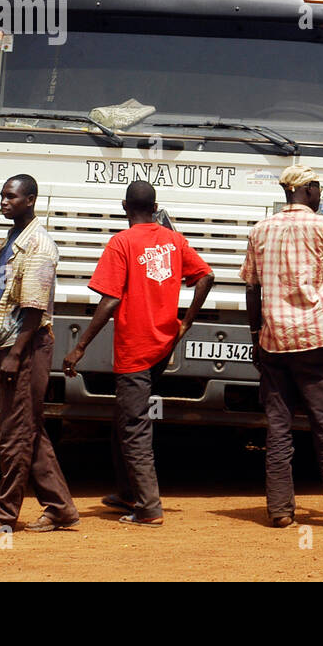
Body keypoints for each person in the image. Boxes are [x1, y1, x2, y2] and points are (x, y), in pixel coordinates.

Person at [63, 181, 215, 526]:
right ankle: (127, 493)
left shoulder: (122, 242)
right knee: (125, 417)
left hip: (135, 349)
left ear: (123, 206)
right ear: (155, 205)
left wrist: (81, 346)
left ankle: (148, 508)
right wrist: (185, 324)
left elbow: (111, 299)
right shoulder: (174, 240)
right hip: (163, 344)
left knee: (134, 426)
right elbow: (206, 276)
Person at [241, 165, 323, 529]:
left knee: (279, 429)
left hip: (274, 341)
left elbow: (251, 289)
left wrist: (256, 337)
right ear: (310, 190)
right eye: (317, 187)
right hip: (318, 341)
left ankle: (281, 511)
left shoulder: (260, 231)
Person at [0, 175, 79, 535]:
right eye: (1, 196)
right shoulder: (12, 241)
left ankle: (3, 513)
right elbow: (6, 304)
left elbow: (33, 310)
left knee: (15, 433)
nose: (3, 202)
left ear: (30, 200)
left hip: (28, 348)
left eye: (11, 196)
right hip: (10, 344)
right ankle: (60, 508)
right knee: (29, 429)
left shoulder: (39, 246)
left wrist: (15, 354)